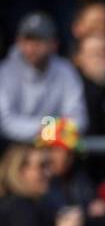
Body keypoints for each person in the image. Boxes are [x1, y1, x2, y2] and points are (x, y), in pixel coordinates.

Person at [0, 12, 89, 146]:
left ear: (54, 44)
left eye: (39, 40)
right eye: (28, 39)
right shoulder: (5, 71)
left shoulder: (65, 70)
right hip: (14, 146)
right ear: (18, 42)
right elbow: (5, 122)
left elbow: (79, 120)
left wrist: (46, 132)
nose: (32, 46)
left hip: (55, 147)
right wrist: (47, 129)